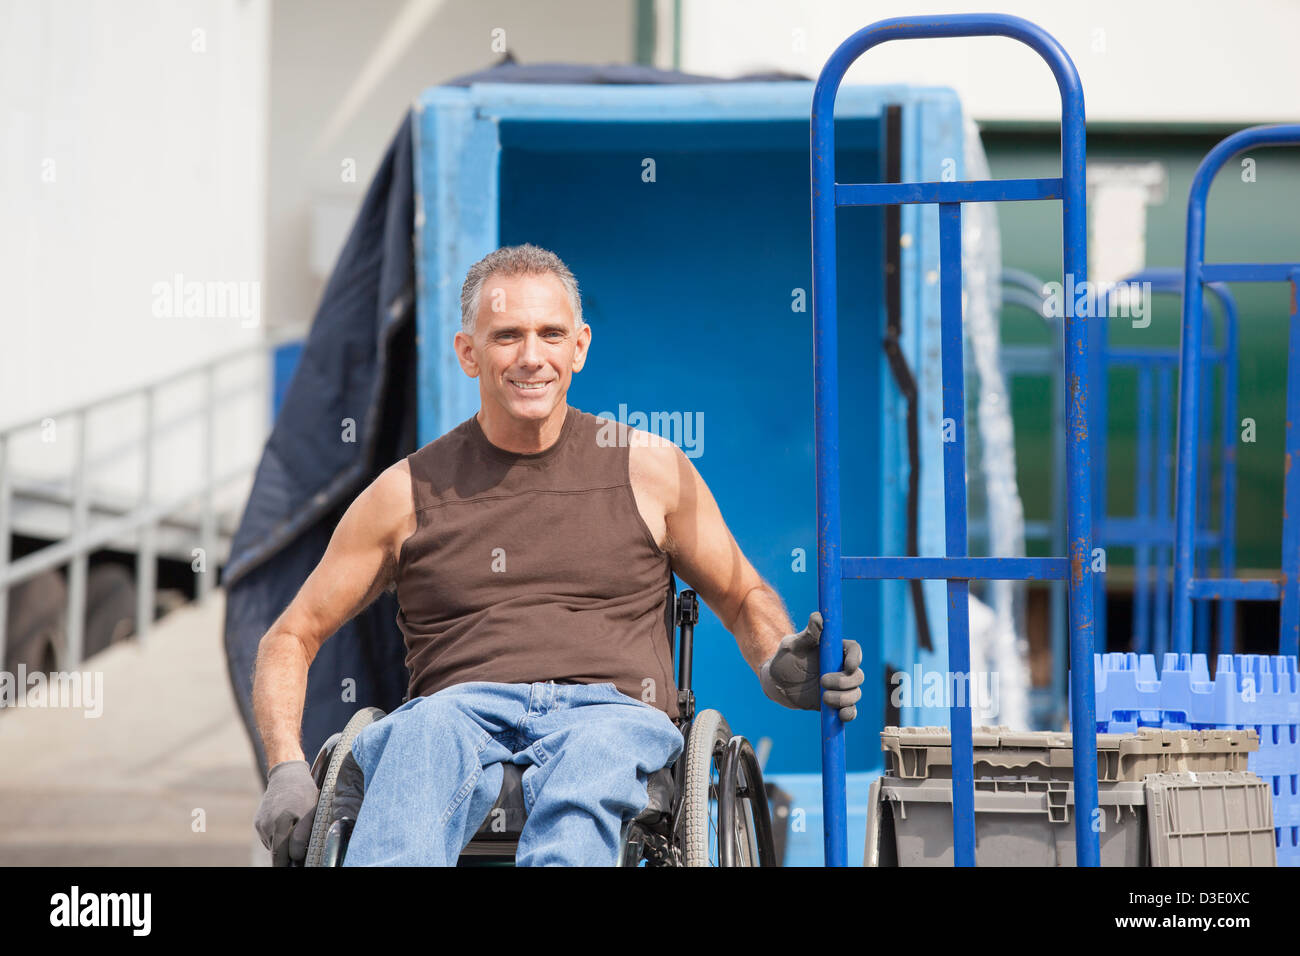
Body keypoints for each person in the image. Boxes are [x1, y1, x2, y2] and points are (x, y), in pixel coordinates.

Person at [252, 244, 863, 866]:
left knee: (592, 761)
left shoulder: (650, 470)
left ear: (580, 346)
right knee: (416, 742)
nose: (531, 357)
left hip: (610, 711)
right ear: (468, 353)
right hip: (457, 711)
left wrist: (778, 659)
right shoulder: (404, 494)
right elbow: (290, 636)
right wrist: (286, 765)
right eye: (507, 336)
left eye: (551, 334)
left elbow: (741, 595)